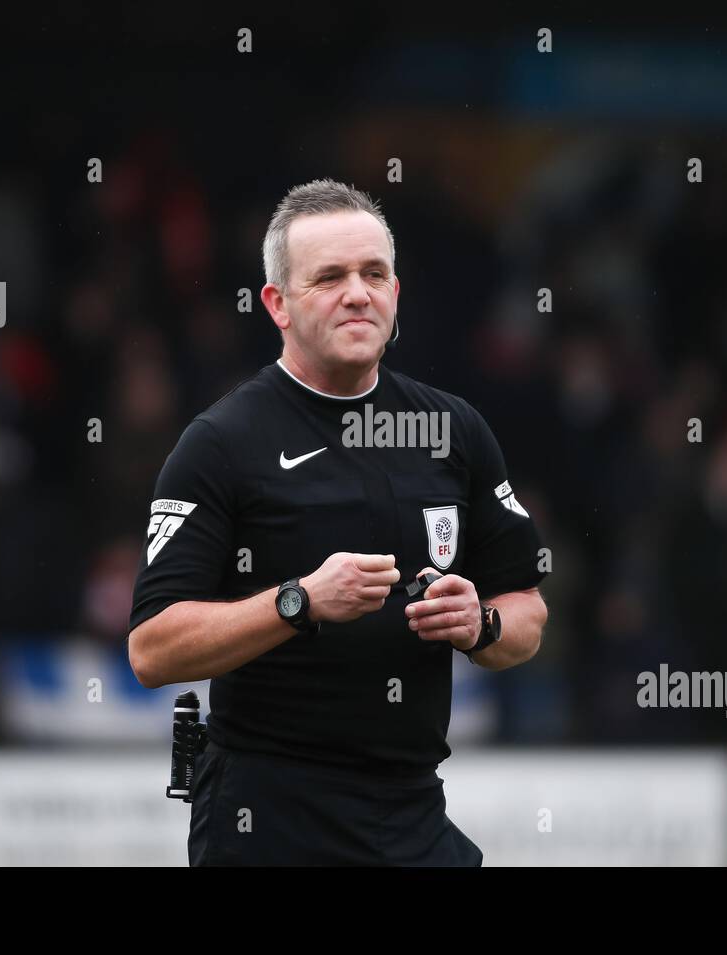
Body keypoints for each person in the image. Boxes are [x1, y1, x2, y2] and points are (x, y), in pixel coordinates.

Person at [128, 178, 549, 866]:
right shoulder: (222, 442)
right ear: (277, 304)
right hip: (267, 817)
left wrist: (484, 625)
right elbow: (152, 650)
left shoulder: (454, 429)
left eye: (373, 274)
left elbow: (526, 609)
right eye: (329, 277)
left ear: (396, 293)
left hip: (411, 809)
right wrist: (299, 602)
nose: (358, 292)